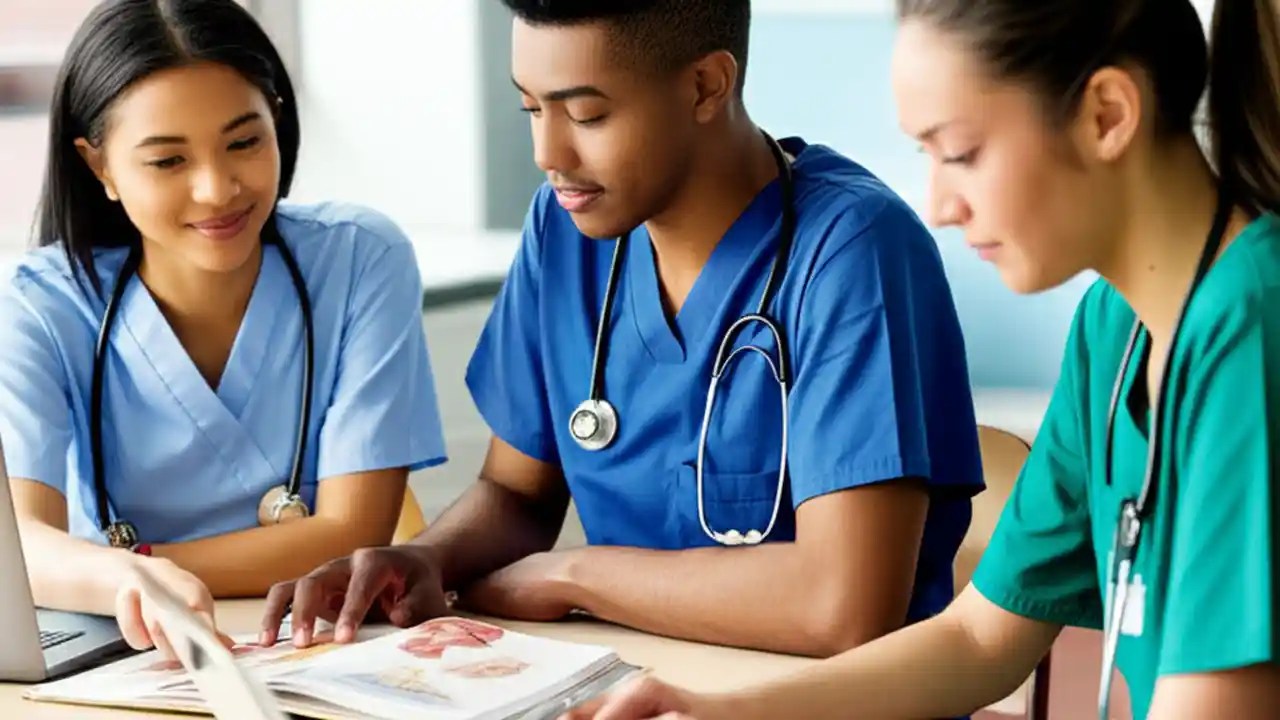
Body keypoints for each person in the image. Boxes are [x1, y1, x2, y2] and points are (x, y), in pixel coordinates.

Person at [562, 0, 1280, 717]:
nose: (938, 205)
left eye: (961, 153)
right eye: (925, 157)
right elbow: (978, 639)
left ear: (1107, 114)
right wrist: (717, 712)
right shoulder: (1115, 329)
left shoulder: (1254, 327)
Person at [262, 0, 983, 660]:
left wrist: (574, 575)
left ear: (705, 85)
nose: (549, 154)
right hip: (628, 686)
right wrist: (428, 557)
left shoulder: (852, 250)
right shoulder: (567, 228)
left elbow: (843, 609)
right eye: (530, 109)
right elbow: (517, 494)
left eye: (586, 115)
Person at [1, 0, 445, 660]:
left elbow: (354, 528)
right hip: (134, 649)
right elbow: (21, 548)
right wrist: (129, 582)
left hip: (325, 643)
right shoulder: (41, 303)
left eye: (244, 142)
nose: (217, 189)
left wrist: (140, 566)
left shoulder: (359, 258)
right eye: (167, 161)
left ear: (278, 121)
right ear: (100, 168)